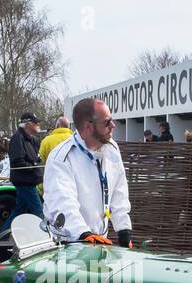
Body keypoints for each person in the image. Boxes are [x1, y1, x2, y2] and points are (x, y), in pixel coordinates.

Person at [42, 97, 132, 246]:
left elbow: (119, 191)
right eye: (106, 122)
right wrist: (83, 233)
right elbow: (62, 202)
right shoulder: (62, 158)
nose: (113, 126)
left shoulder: (111, 149)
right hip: (69, 243)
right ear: (88, 126)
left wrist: (124, 230)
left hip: (99, 240)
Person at [3, 112, 43, 232]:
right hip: (25, 181)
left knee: (19, 210)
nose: (37, 125)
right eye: (35, 123)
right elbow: (17, 161)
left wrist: (36, 161)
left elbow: (31, 158)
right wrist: (34, 165)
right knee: (39, 211)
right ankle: (49, 237)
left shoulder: (29, 139)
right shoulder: (17, 138)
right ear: (28, 124)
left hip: (28, 180)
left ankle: (3, 235)